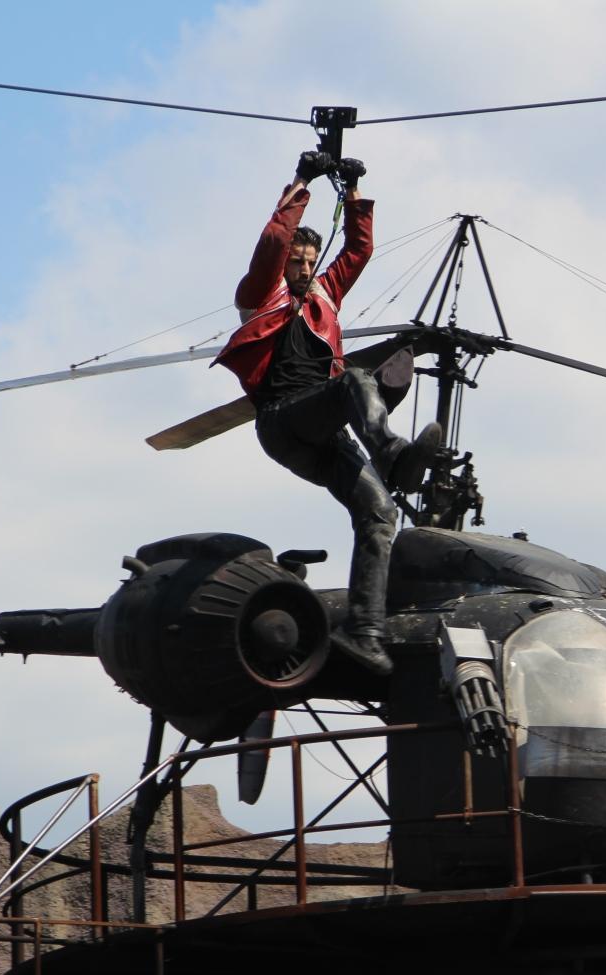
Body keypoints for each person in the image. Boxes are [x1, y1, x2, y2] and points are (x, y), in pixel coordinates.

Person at [213, 150, 439, 676]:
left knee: (379, 515)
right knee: (356, 380)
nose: (306, 268)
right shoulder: (259, 294)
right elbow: (272, 242)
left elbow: (359, 250)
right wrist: (302, 182)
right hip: (284, 418)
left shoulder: (325, 295)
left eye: (311, 261)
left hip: (324, 429)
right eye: (298, 260)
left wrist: (355, 191)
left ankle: (365, 633)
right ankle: (390, 450)